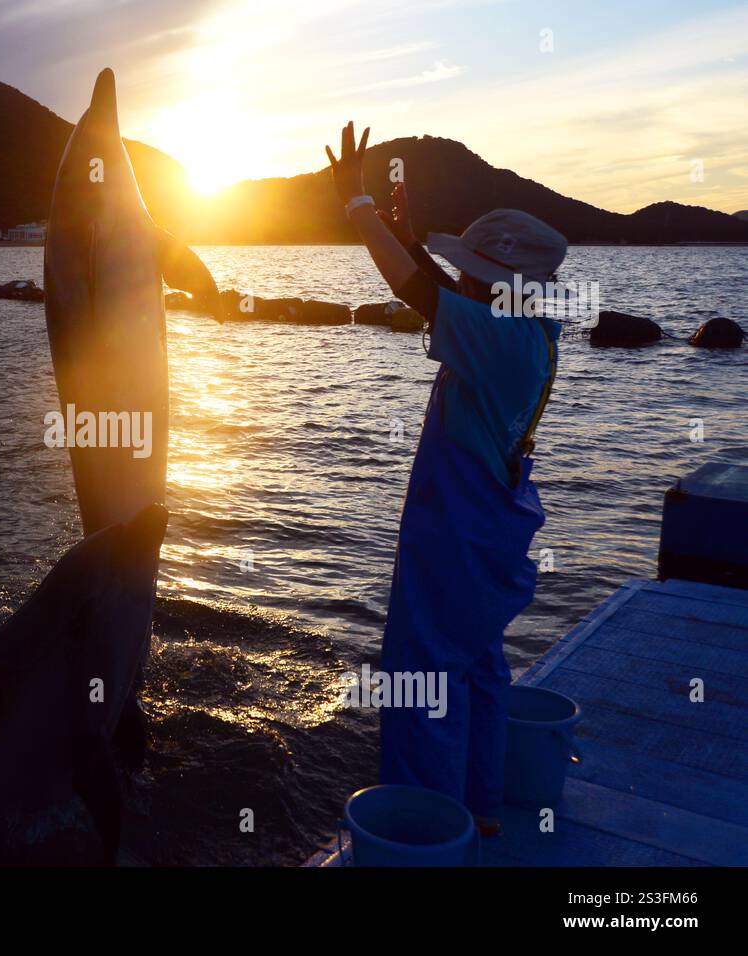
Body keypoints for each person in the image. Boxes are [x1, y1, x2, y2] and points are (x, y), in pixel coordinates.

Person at [325, 122, 567, 833]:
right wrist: (408, 237)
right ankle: (481, 808)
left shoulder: (495, 335)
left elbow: (418, 291)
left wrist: (360, 209)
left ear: (492, 284)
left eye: (471, 271)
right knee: (478, 663)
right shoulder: (525, 328)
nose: (459, 278)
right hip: (488, 527)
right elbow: (439, 291)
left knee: (424, 669)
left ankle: (429, 825)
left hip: (457, 534)